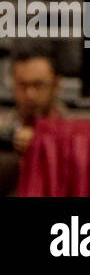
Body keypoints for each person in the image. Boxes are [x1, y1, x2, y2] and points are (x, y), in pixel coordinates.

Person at [0, 46, 65, 196]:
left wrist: (42, 141)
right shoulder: (3, 128)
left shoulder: (77, 134)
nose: (30, 95)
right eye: (22, 85)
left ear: (56, 85)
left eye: (39, 85)